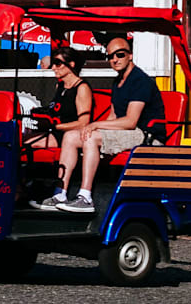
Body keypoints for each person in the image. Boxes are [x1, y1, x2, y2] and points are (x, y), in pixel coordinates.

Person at [36, 38, 165, 214]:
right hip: (129, 131)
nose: (115, 59)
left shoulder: (140, 81)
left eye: (120, 54)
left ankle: (85, 197)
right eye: (110, 56)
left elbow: (130, 121)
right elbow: (113, 115)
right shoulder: (118, 81)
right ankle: (60, 193)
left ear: (130, 55)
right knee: (72, 136)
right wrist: (93, 128)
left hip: (146, 134)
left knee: (91, 137)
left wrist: (95, 126)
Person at [27, 47, 93, 153]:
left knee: (27, 143)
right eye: (53, 63)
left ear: (71, 64)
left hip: (70, 135)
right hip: (56, 131)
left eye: (58, 63)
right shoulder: (60, 86)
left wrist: (55, 126)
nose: (53, 67)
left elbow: (83, 123)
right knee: (18, 139)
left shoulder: (81, 88)